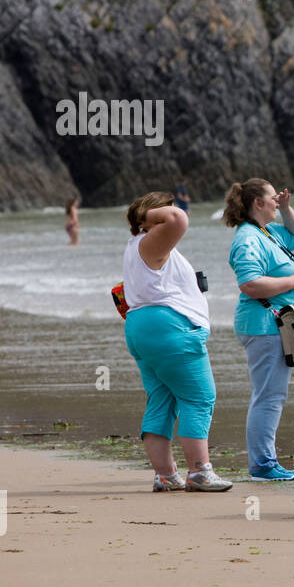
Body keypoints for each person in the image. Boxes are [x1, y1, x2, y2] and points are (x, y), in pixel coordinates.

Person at [122, 192, 231, 493]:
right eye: (168, 205)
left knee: (161, 400)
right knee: (198, 398)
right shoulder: (150, 242)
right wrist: (145, 215)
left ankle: (166, 475)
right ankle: (199, 472)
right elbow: (179, 219)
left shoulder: (136, 247)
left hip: (142, 327)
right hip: (168, 328)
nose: (176, 208)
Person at [225, 178, 294, 481]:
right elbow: (249, 284)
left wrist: (288, 209)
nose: (277, 200)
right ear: (257, 204)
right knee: (268, 396)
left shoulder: (267, 232)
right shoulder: (247, 239)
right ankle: (263, 465)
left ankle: (264, 462)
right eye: (273, 198)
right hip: (262, 325)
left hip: (272, 324)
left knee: (270, 394)